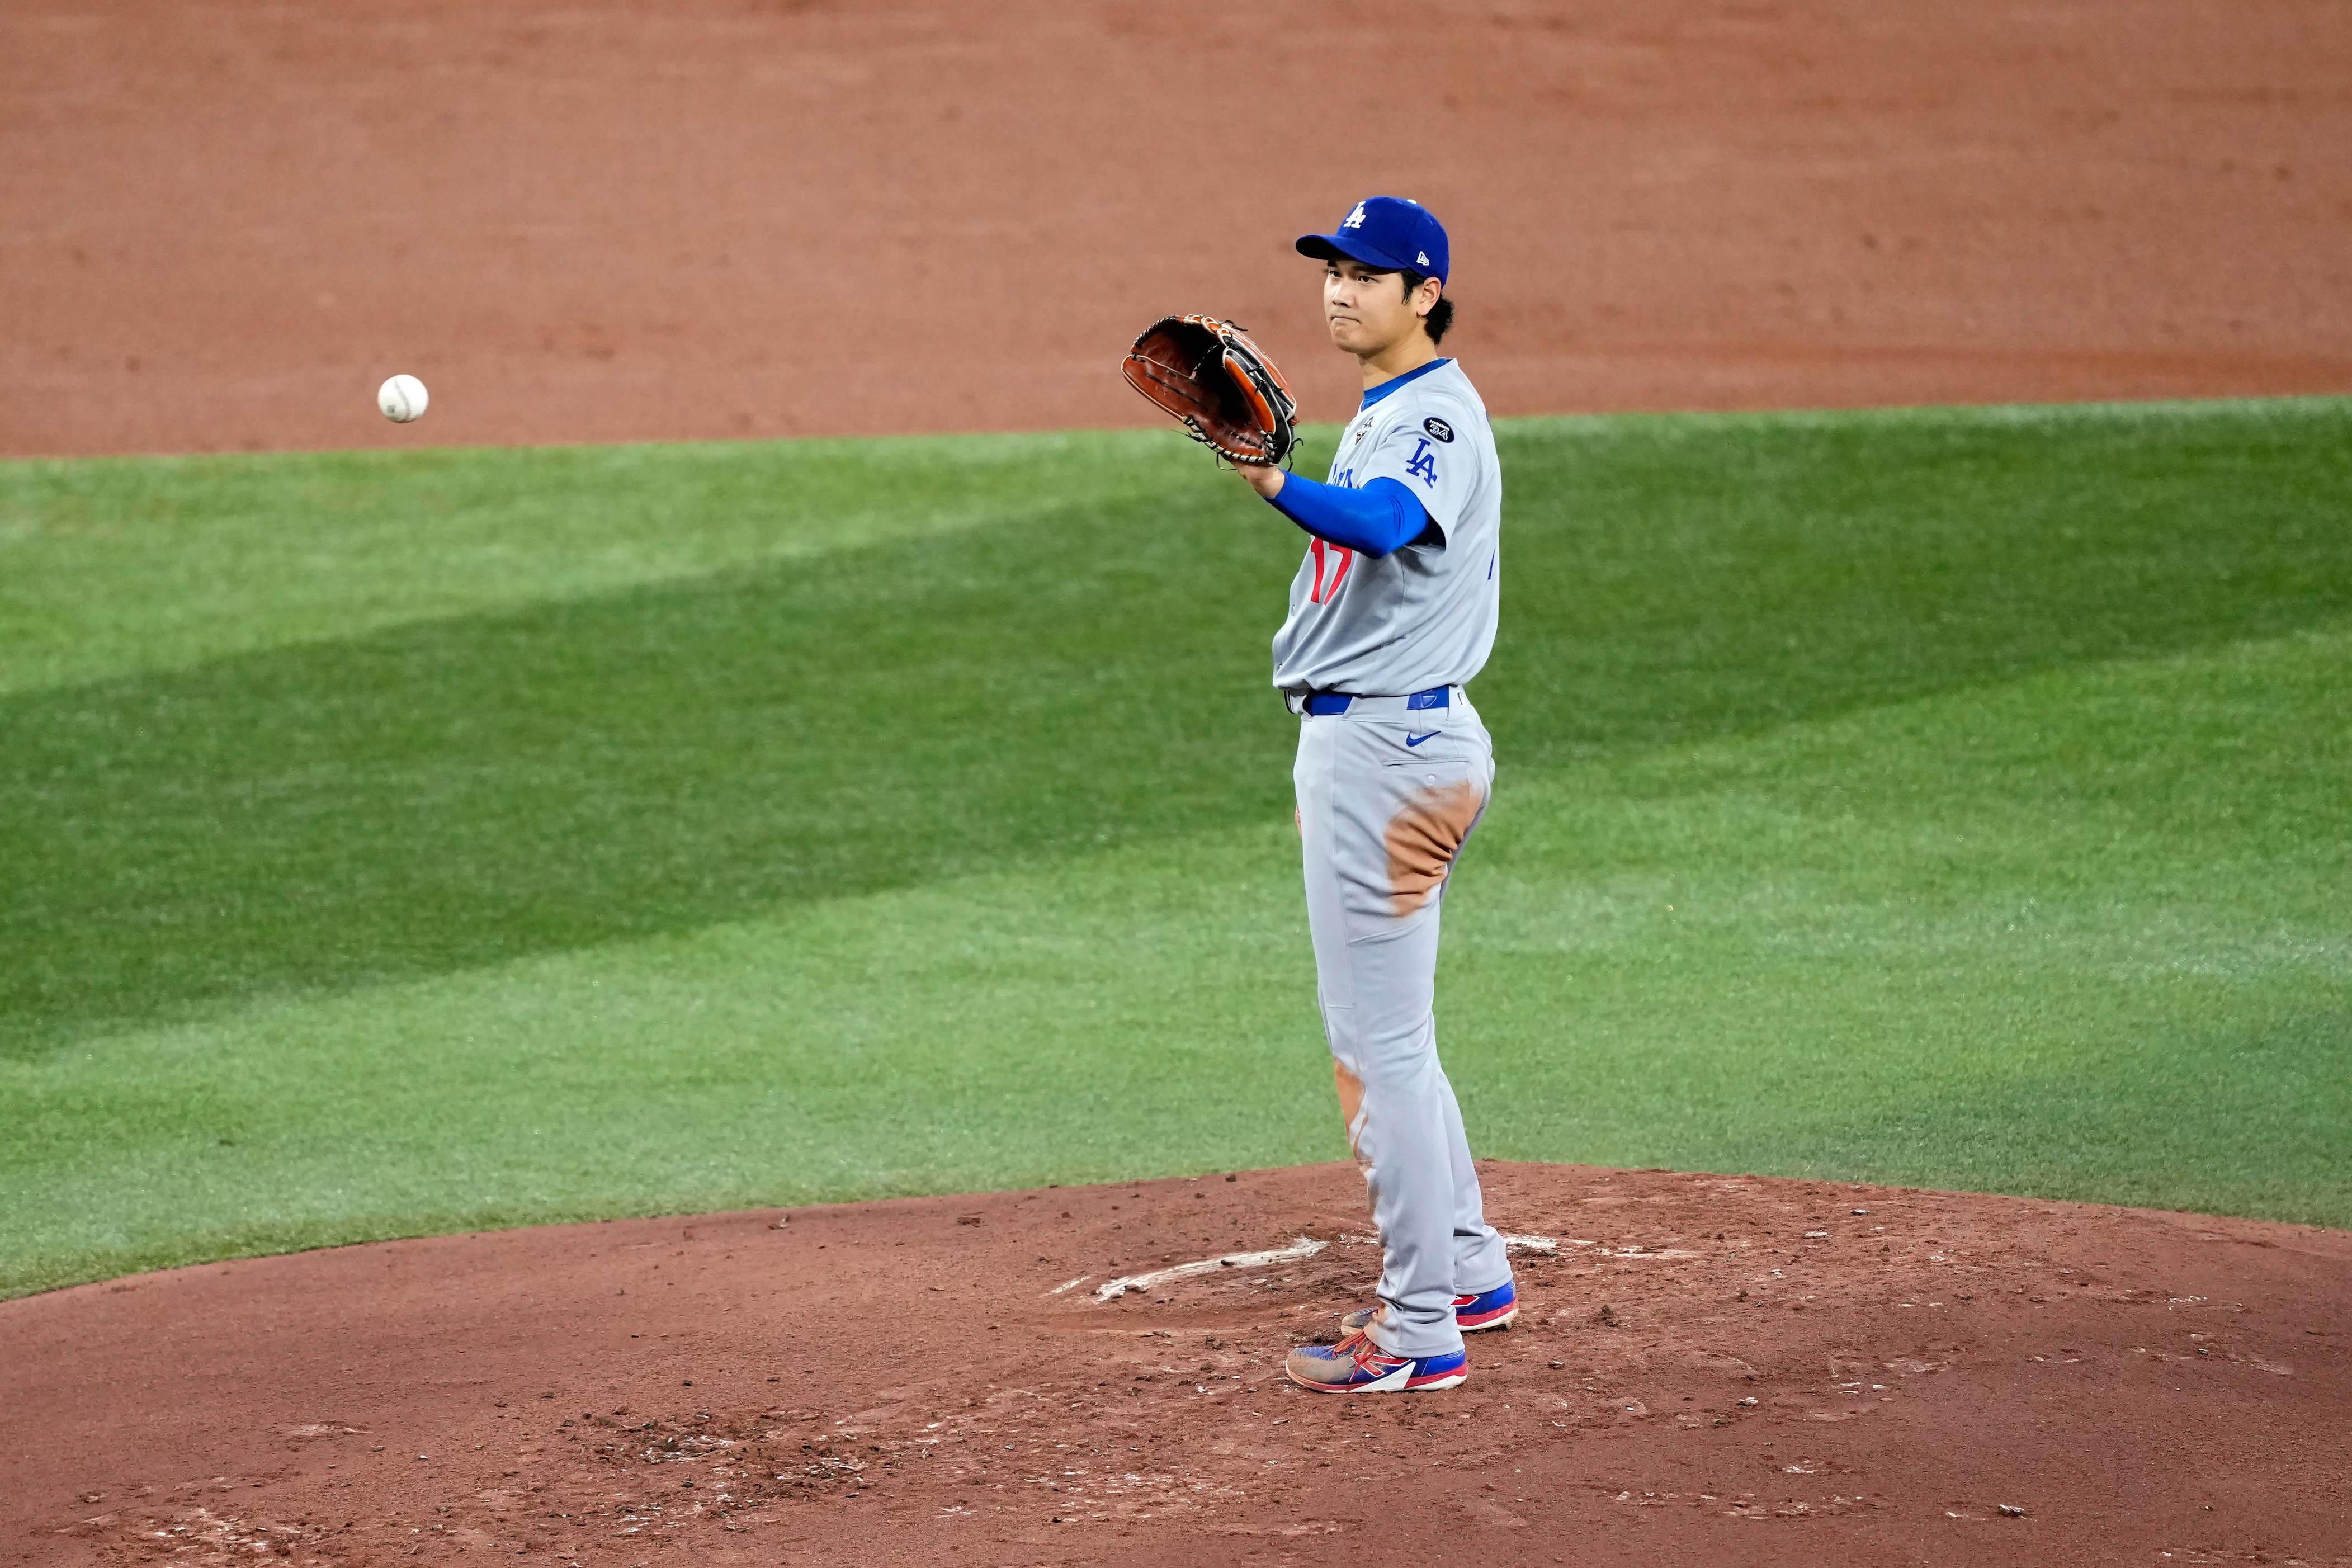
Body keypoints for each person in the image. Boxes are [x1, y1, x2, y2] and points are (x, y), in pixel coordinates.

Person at [1231, 196, 1517, 1394]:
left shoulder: (1437, 415)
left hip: (1387, 760)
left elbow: (1392, 524)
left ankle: (1415, 1330)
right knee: (1399, 1040)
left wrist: (1275, 483)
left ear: (1427, 297)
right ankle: (1467, 1267)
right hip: (1398, 745)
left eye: (1371, 275)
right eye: (1334, 271)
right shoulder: (1391, 408)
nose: (1342, 290)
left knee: (1378, 1049)